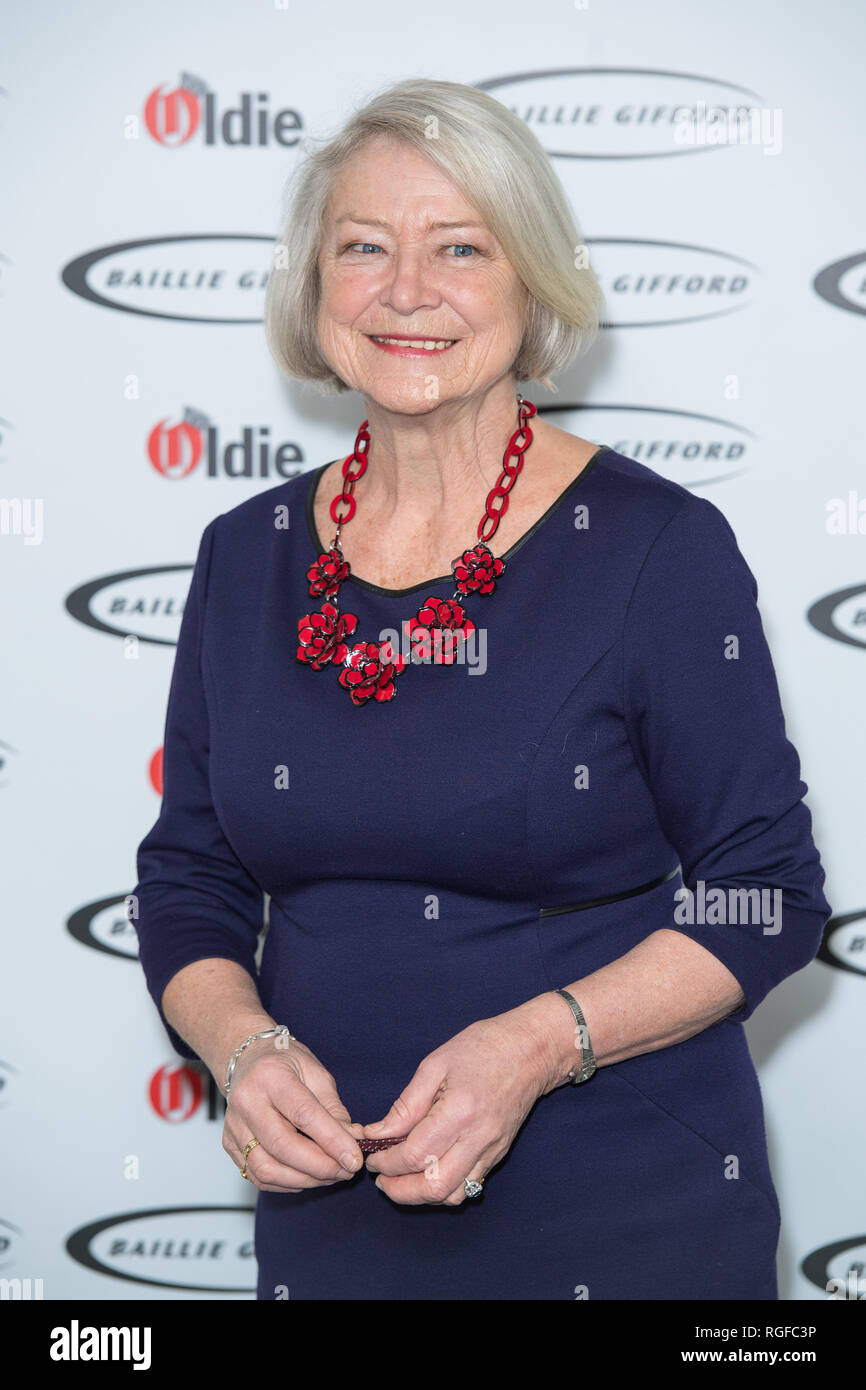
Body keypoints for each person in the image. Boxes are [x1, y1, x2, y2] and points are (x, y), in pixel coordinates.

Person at [133, 77, 832, 1301]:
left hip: (621, 1217)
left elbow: (761, 899)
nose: (407, 290)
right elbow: (190, 876)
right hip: (329, 1221)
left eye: (460, 246)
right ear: (315, 288)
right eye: (364, 248)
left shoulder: (654, 549)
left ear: (530, 286)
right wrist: (240, 1050)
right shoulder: (243, 555)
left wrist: (533, 1045)